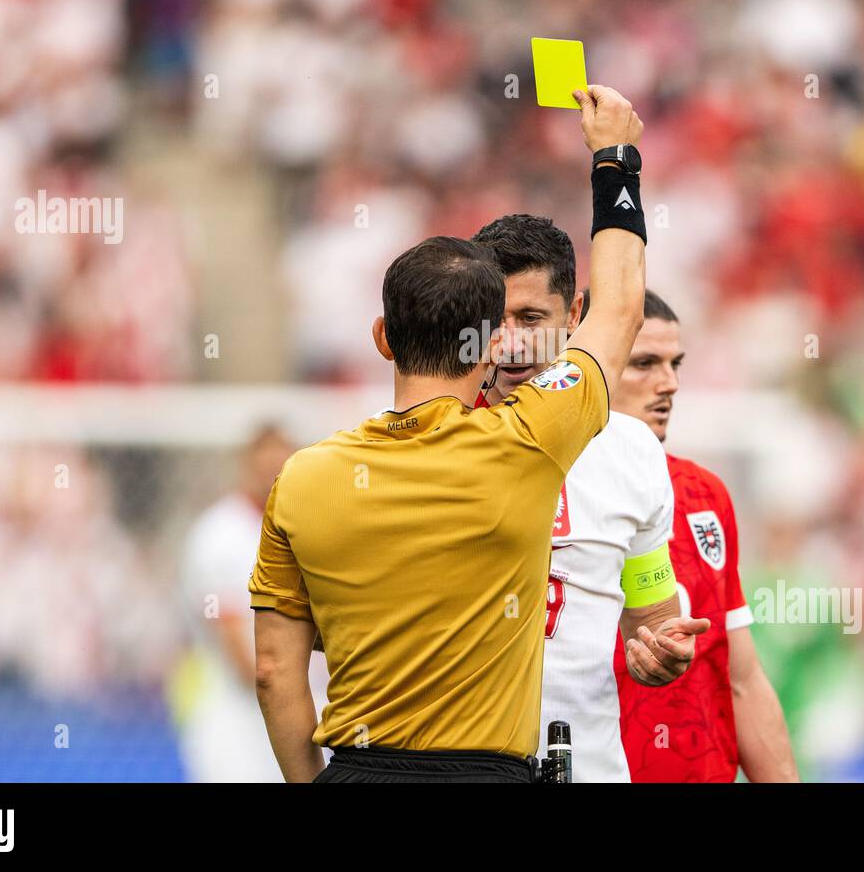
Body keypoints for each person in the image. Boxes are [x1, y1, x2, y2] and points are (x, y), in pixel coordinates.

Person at [248, 85, 667, 782]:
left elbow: (272, 670)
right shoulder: (526, 443)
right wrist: (615, 161)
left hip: (356, 768)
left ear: (383, 339)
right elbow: (620, 310)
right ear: (488, 344)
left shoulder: (305, 476)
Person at [471, 216, 710, 782]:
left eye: (532, 318)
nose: (513, 340)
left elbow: (651, 616)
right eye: (493, 320)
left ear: (574, 316)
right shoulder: (424, 441)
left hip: (588, 766)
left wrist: (658, 652)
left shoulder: (630, 449)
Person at [605, 289, 800, 782]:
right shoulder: (546, 495)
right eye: (644, 363)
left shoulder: (704, 495)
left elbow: (742, 679)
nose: (668, 383)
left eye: (676, 364)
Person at [177, 424, 331, 781]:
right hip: (238, 724)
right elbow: (247, 659)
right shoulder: (220, 534)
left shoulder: (311, 526)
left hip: (306, 709)